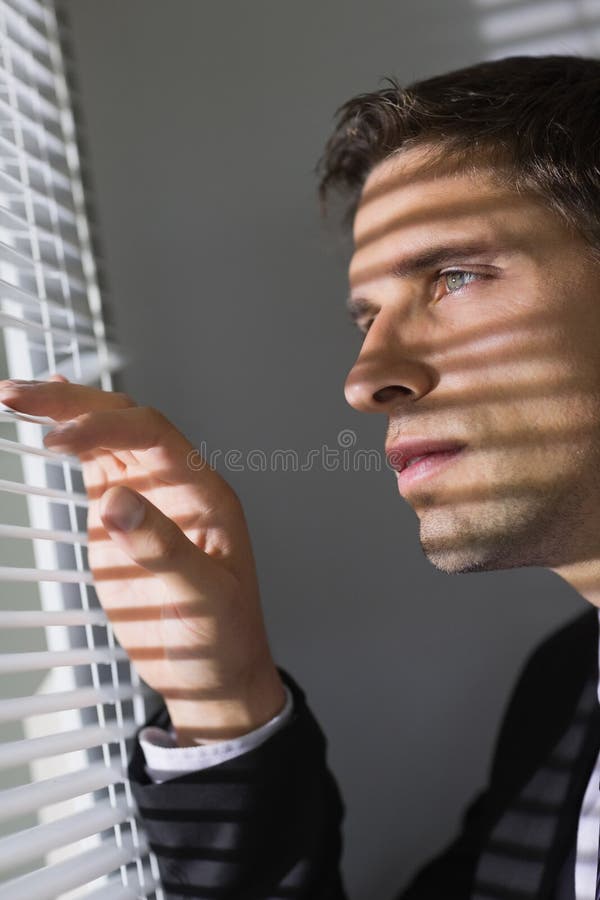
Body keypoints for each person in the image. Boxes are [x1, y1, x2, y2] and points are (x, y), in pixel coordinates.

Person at [3, 53, 600, 899]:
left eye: (454, 277)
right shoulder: (567, 694)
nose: (365, 379)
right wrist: (226, 695)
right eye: (367, 318)